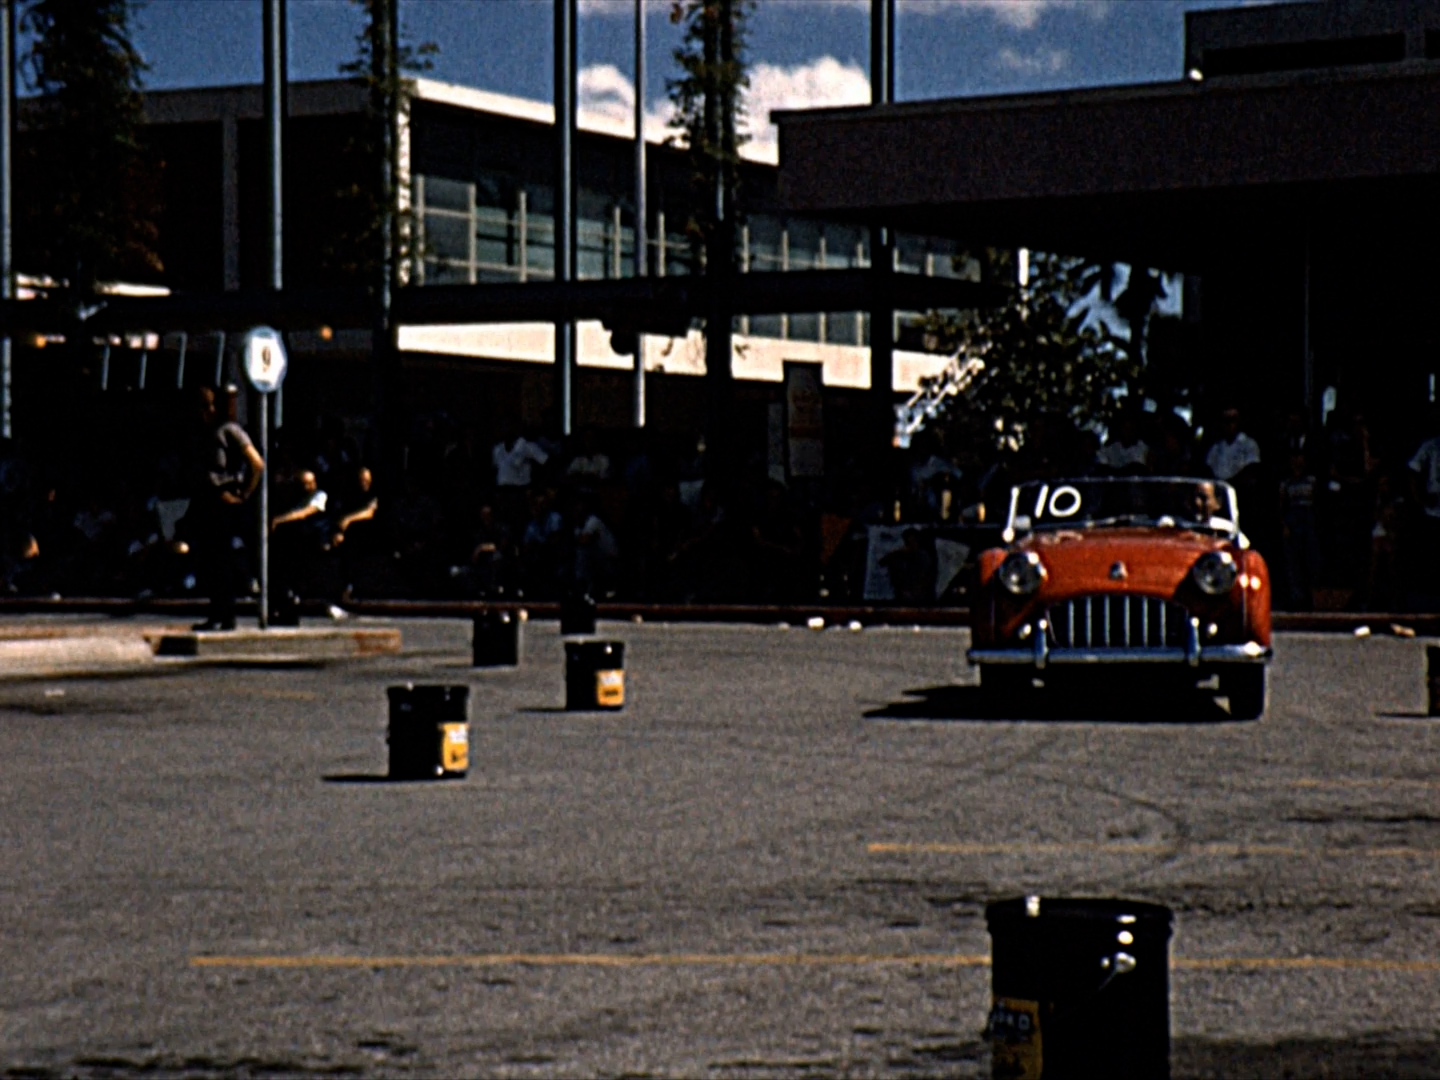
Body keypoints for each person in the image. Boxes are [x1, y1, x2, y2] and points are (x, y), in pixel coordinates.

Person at [192, 385, 265, 631]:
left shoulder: (229, 431)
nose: (207, 411)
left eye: (210, 405)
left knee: (222, 560)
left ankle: (225, 614)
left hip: (225, 502)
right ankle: (218, 613)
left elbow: (256, 463)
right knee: (210, 561)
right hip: (207, 502)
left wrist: (243, 492)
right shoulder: (205, 433)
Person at [1205, 407, 1262, 482]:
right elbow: (1208, 467)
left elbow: (1251, 469)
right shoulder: (1216, 446)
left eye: (1232, 420)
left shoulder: (1249, 444)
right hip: (1218, 487)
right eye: (1225, 420)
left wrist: (1230, 483)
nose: (1228, 424)